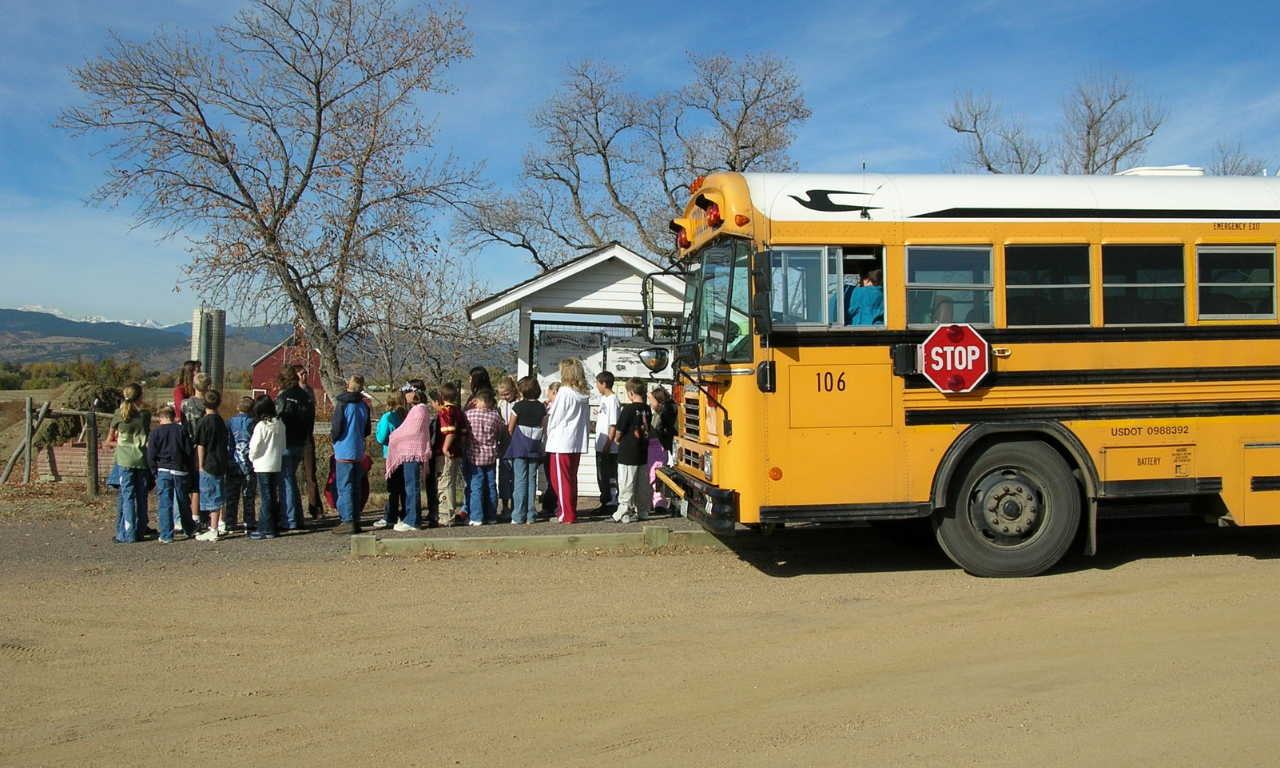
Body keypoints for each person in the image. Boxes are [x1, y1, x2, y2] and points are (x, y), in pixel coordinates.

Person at [545, 358, 591, 524]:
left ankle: (566, 514)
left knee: (559, 479)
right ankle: (568, 511)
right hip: (576, 441)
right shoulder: (583, 394)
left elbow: (555, 417)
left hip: (561, 441)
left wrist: (549, 432)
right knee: (570, 479)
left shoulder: (564, 392)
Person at [107, 383, 150, 543]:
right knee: (141, 497)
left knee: (127, 497)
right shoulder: (145, 415)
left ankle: (127, 533)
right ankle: (140, 531)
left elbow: (108, 440)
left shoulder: (119, 414)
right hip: (140, 459)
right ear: (139, 397)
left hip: (124, 461)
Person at [386, 385, 432, 531]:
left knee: (412, 486)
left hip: (413, 452)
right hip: (408, 452)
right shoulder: (415, 409)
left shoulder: (421, 409)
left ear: (414, 393)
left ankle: (413, 520)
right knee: (409, 486)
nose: (405, 395)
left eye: (407, 392)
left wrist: (394, 436)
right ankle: (409, 517)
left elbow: (413, 431)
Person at [147, 404, 195, 543]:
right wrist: (188, 468)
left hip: (163, 469)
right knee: (183, 501)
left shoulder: (155, 433)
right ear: (174, 417)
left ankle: (167, 534)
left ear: (160, 418)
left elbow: (151, 455)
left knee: (165, 503)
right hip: (180, 469)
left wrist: (154, 471)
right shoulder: (181, 430)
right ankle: (189, 528)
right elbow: (188, 451)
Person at [275, 367, 316, 531]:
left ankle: (289, 519)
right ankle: (298, 517)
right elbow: (310, 421)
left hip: (286, 443)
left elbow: (278, 423)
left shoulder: (283, 398)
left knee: (286, 482)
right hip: (301, 442)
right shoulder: (307, 397)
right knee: (292, 480)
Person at [330, 375, 371, 534]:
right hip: (358, 449)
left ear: (348, 385)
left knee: (344, 486)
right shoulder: (364, 406)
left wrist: (334, 439)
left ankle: (347, 519)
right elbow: (367, 430)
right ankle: (355, 517)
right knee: (355, 486)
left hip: (344, 449)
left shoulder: (343, 404)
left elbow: (337, 427)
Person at [611, 377, 652, 523]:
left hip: (628, 452)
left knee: (626, 482)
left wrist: (616, 439)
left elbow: (620, 429)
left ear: (630, 392)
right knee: (642, 484)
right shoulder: (647, 409)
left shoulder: (628, 409)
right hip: (642, 451)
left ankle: (624, 510)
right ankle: (643, 510)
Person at [463, 389, 506, 526]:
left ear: (477, 401)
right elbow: (501, 429)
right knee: (491, 485)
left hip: (474, 455)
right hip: (491, 455)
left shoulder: (468, 415)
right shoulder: (494, 416)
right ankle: (491, 516)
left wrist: (470, 405)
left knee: (476, 485)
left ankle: (476, 516)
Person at [192, 389, 229, 541]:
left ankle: (213, 529)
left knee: (212, 497)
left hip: (209, 463)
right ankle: (219, 523)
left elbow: (201, 445)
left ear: (203, 403)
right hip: (221, 462)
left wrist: (200, 464)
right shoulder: (220, 421)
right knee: (219, 494)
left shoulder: (204, 422)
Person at [248, 394, 285, 540]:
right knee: (272, 495)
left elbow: (254, 446)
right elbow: (283, 445)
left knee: (266, 497)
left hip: (262, 464)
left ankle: (267, 528)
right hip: (276, 463)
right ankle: (269, 526)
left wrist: (252, 458)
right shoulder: (280, 424)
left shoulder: (261, 426)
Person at [373, 390, 408, 530]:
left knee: (392, 488)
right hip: (405, 454)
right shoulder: (406, 416)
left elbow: (381, 437)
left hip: (391, 455)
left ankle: (390, 515)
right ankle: (405, 513)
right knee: (404, 487)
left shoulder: (387, 417)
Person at [432, 382, 466, 526]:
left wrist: (445, 448)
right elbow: (464, 433)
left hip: (446, 453)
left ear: (441, 396)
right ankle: (448, 513)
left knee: (444, 483)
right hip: (456, 452)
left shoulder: (445, 411)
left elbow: (450, 431)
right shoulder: (458, 411)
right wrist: (460, 447)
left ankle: (445, 516)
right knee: (450, 482)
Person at [225, 396, 256, 533]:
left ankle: (230, 522)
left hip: (233, 463)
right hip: (249, 463)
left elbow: (227, 442)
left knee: (232, 495)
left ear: (237, 407)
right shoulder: (253, 422)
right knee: (248, 495)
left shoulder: (231, 422)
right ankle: (248, 522)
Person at [647, 386, 677, 513]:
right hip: (652, 445)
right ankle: (651, 501)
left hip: (658, 446)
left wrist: (647, 393)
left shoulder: (662, 410)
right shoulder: (659, 412)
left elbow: (655, 404)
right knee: (650, 475)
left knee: (656, 475)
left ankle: (660, 502)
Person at [593, 371, 620, 514]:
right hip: (600, 443)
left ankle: (611, 502)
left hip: (609, 447)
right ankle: (605, 499)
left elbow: (614, 424)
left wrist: (608, 443)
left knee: (609, 475)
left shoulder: (613, 400)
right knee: (601, 474)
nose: (596, 386)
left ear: (604, 384)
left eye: (598, 383)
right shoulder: (603, 399)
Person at [495, 376, 518, 516]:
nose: (504, 397)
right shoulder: (501, 404)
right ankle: (504, 505)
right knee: (504, 472)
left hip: (516, 439)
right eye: (501, 394)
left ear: (514, 391)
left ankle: (516, 504)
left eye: (507, 394)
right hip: (504, 440)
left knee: (516, 473)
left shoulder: (519, 403)